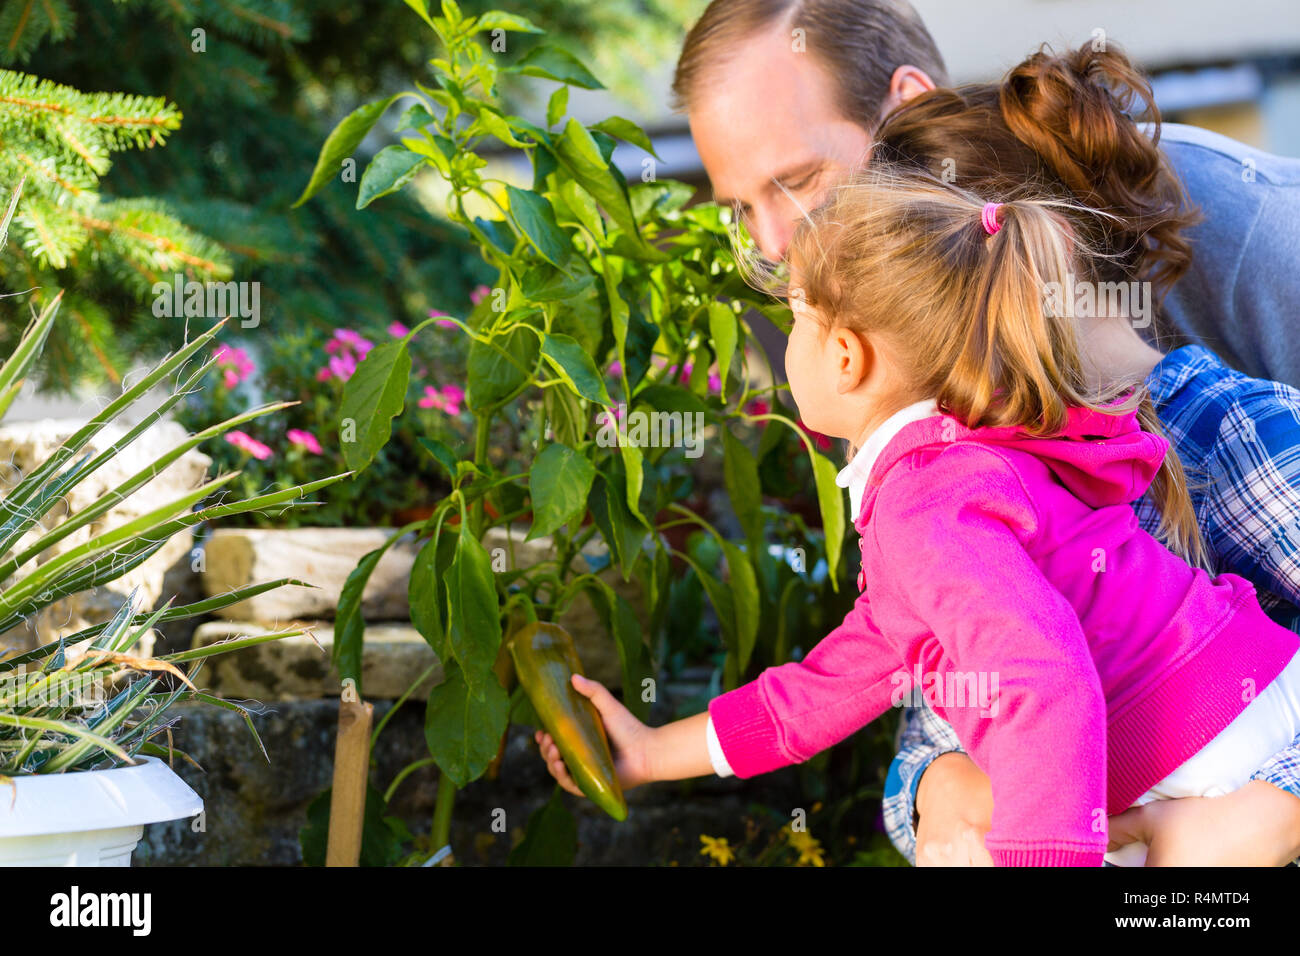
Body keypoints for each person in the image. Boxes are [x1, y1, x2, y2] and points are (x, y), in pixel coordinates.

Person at [669, 0, 1300, 864]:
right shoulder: (946, 450)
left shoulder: (1240, 337)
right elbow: (932, 690)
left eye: (799, 182)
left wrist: (1273, 809)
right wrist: (940, 791)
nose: (779, 247)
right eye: (740, 208)